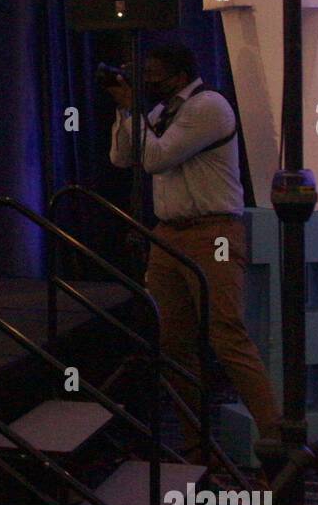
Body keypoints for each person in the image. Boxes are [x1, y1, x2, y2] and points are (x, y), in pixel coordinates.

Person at [106, 42, 280, 461]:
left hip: (214, 233)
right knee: (174, 344)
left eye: (153, 71)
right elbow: (120, 157)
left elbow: (156, 160)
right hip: (168, 236)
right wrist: (125, 111)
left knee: (227, 335)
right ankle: (195, 447)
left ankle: (278, 443)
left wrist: (133, 110)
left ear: (180, 74)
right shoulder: (162, 114)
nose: (146, 80)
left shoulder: (209, 106)